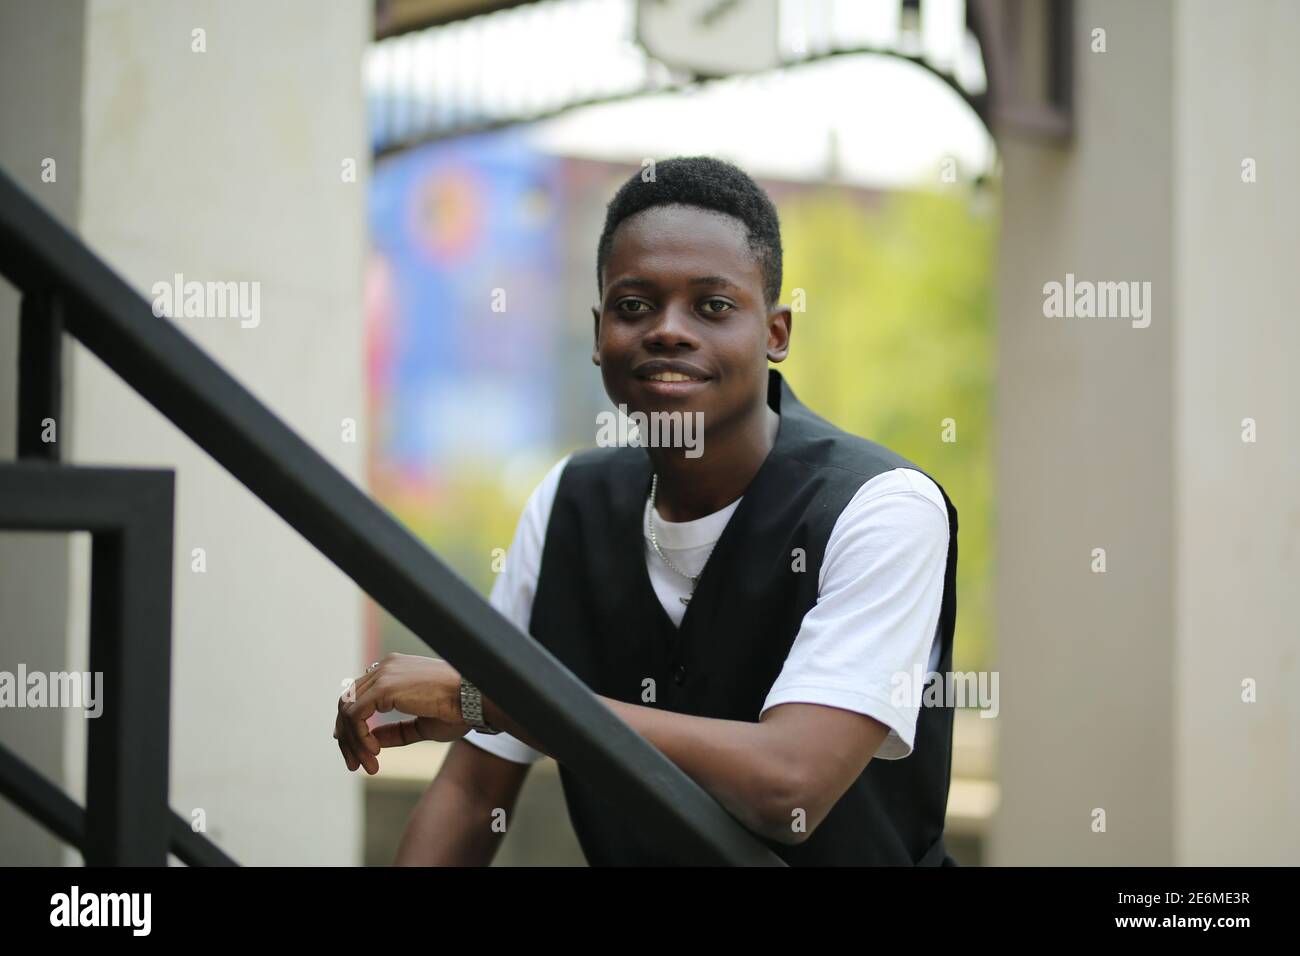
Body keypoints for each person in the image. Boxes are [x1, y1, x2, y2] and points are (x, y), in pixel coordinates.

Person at [335, 156, 959, 865]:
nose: (668, 330)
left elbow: (789, 790)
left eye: (713, 306)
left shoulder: (881, 509)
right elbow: (477, 792)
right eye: (634, 306)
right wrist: (497, 704)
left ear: (777, 333)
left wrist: (490, 695)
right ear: (600, 338)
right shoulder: (568, 503)